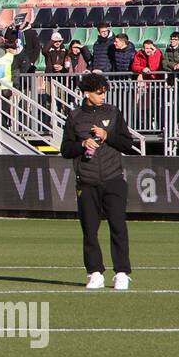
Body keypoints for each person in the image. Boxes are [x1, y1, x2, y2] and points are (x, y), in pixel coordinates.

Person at [60, 73, 136, 291]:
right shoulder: (75, 116)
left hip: (113, 179)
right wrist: (82, 144)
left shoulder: (113, 112)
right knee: (90, 230)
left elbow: (126, 144)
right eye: (98, 92)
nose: (103, 96)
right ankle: (95, 273)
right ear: (87, 93)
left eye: (104, 92)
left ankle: (122, 273)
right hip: (86, 180)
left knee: (118, 226)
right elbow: (65, 150)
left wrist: (106, 136)